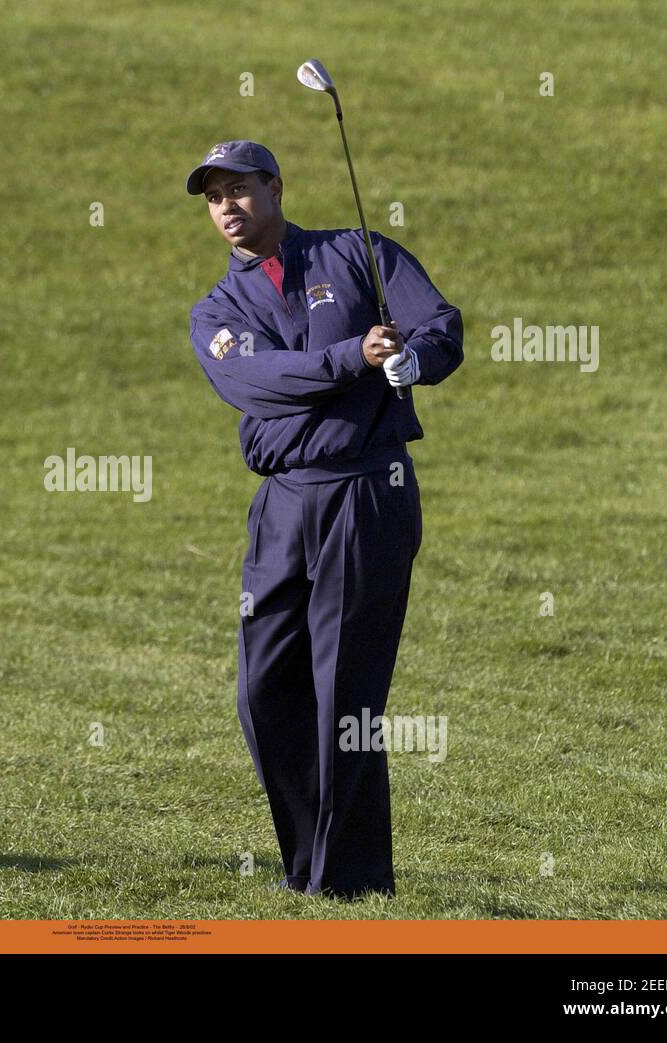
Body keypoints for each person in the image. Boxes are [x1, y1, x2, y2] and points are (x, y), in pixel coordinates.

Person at [185, 140, 462, 898]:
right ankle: (308, 861)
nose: (227, 207)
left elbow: (438, 322)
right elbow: (256, 381)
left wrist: (415, 359)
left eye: (239, 189)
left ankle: (349, 879)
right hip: (283, 503)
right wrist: (355, 362)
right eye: (214, 198)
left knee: (346, 690)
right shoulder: (216, 308)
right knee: (264, 691)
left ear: (275, 188)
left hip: (368, 491)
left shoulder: (358, 251)